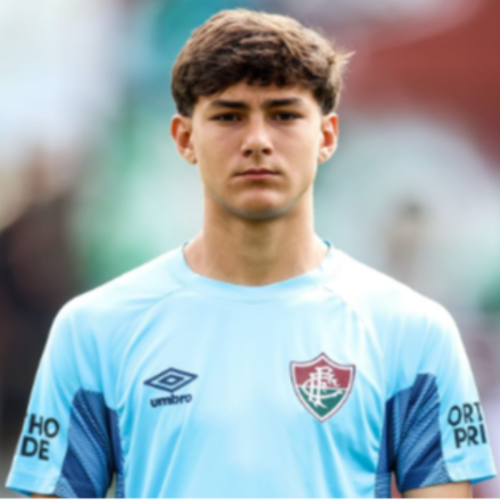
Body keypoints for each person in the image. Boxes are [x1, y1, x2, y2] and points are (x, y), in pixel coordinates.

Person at [6, 9, 496, 500]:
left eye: (284, 115)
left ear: (326, 136)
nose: (257, 141)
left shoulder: (413, 332)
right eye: (229, 116)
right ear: (184, 138)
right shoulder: (96, 329)